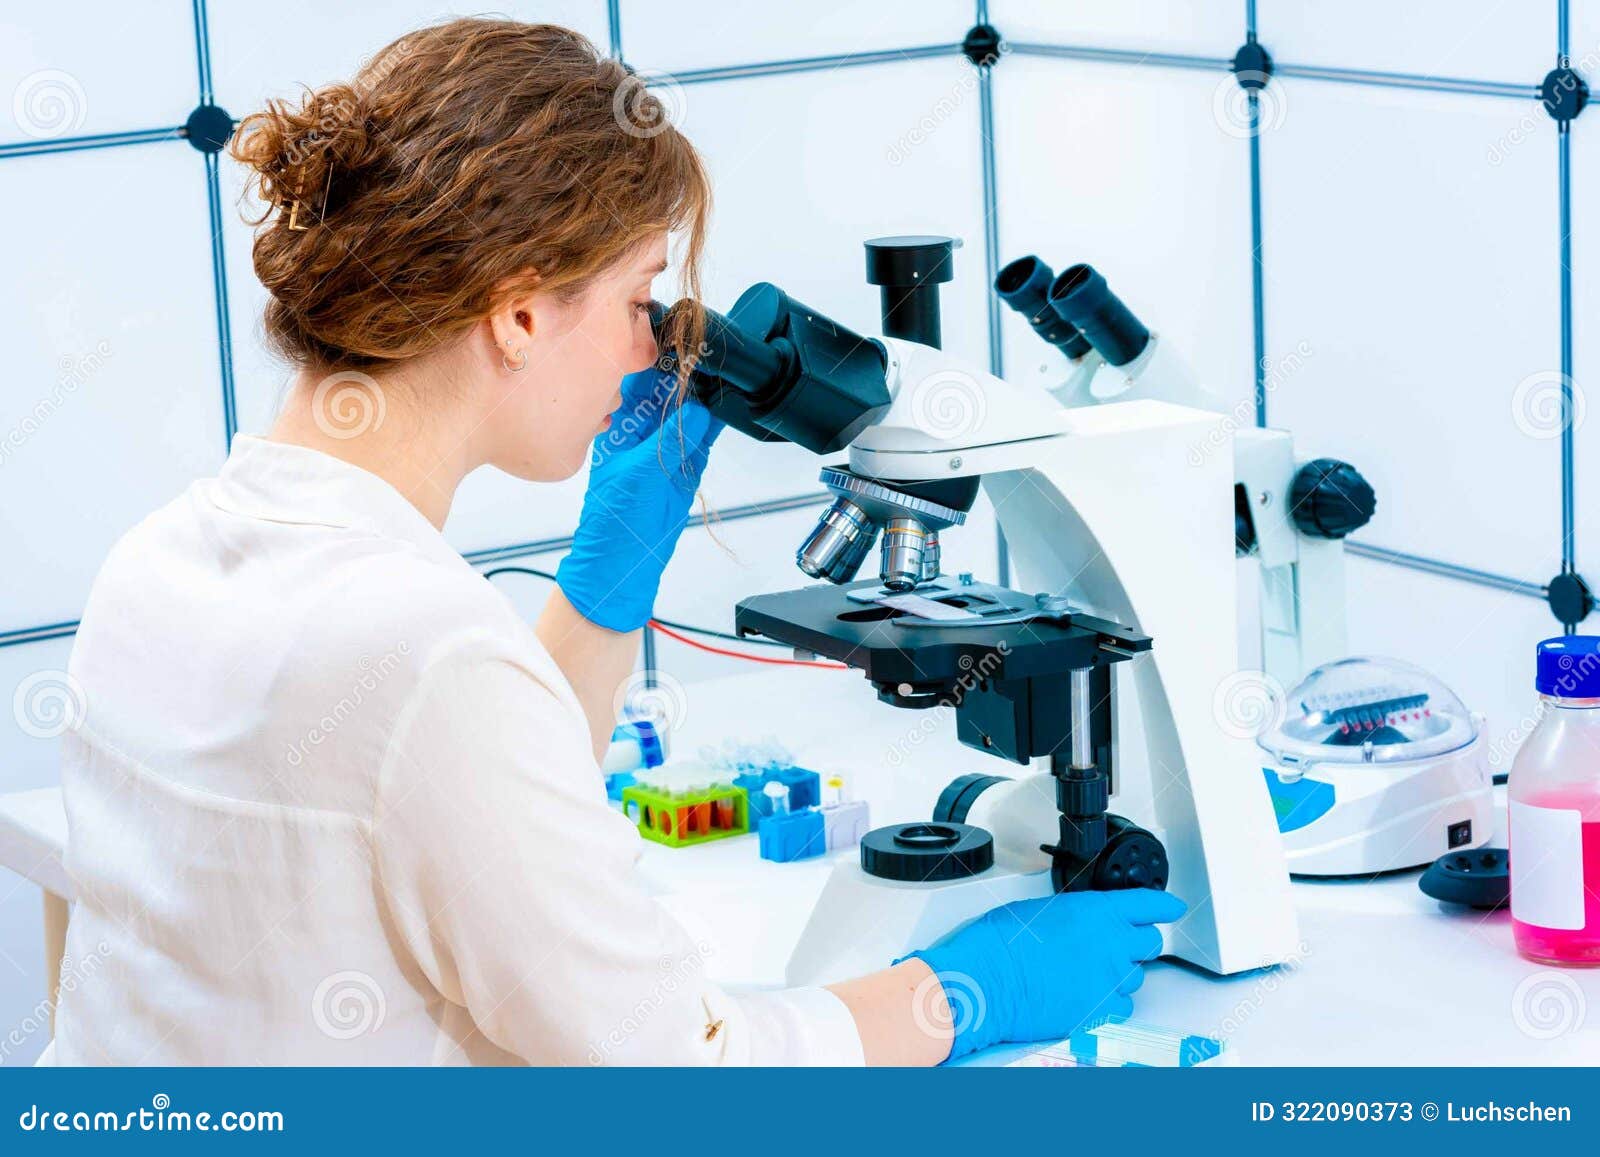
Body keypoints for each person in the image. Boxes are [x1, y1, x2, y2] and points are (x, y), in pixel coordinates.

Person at [51, 18, 1184, 1066]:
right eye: (644, 297)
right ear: (520, 312)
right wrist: (949, 997)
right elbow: (681, 1073)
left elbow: (450, 794)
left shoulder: (162, 555)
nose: (655, 350)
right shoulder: (421, 648)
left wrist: (605, 585)